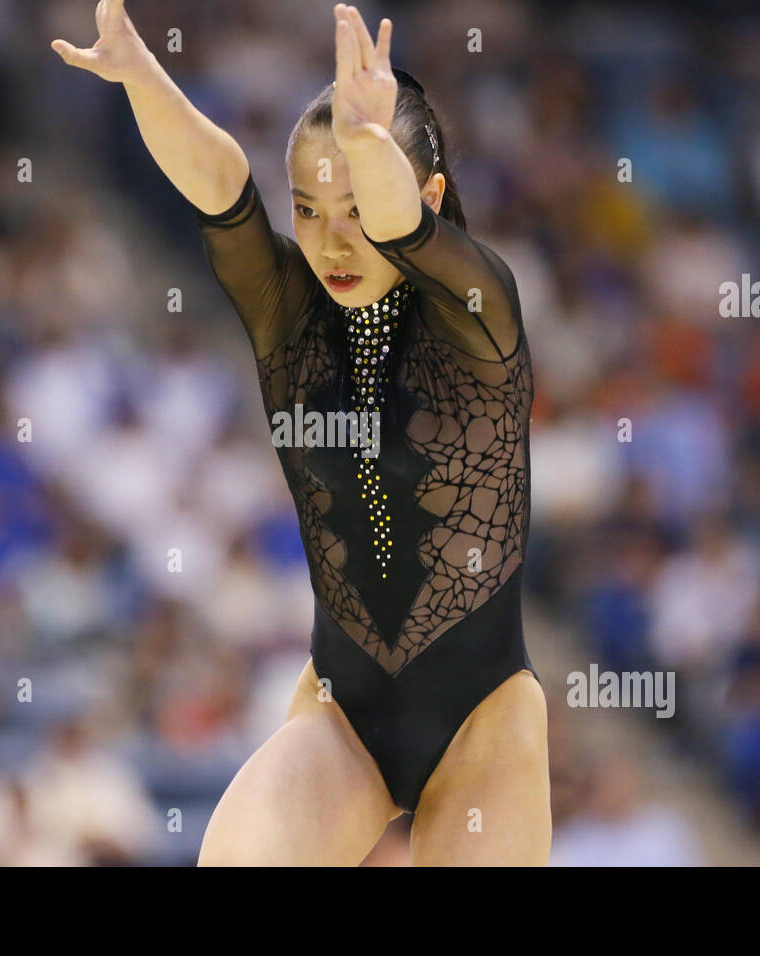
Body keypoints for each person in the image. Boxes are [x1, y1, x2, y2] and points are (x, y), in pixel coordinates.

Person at [53, 1, 551, 865]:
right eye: (311, 208)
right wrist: (143, 76)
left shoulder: (481, 314)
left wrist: (368, 142)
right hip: (341, 714)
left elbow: (403, 226)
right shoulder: (287, 313)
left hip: (484, 721)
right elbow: (219, 183)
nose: (333, 238)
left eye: (355, 205)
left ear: (427, 195)